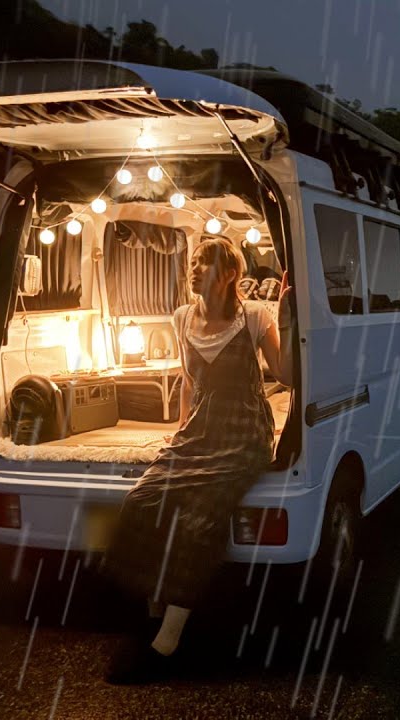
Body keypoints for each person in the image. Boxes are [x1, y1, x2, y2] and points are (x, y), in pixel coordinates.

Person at [101, 236, 291, 683]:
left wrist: (291, 315)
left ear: (229, 274)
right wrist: (180, 430)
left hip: (242, 436)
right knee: (140, 502)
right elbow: (189, 382)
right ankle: (149, 609)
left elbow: (284, 374)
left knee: (199, 524)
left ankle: (167, 642)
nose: (194, 267)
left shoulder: (255, 318)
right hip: (195, 436)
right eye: (194, 260)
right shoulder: (181, 316)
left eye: (206, 261)